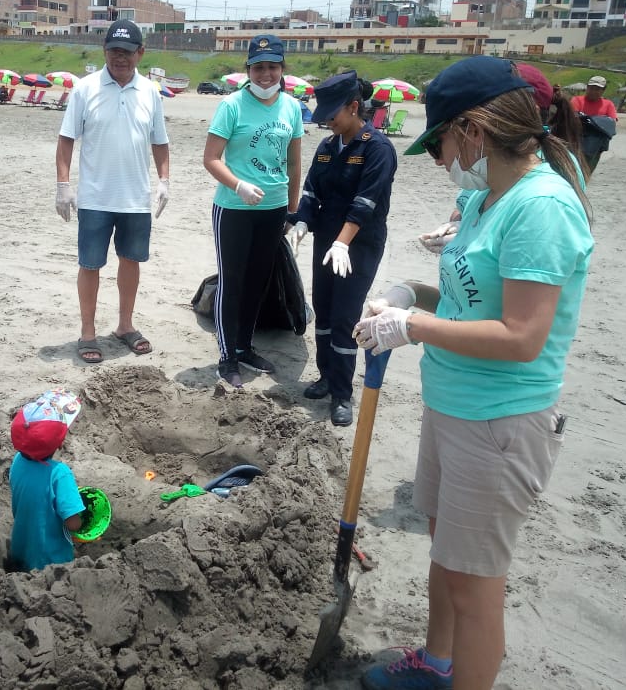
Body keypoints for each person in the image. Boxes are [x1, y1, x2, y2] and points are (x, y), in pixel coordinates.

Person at [352, 56, 593, 690]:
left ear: (475, 131)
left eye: (441, 142)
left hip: (500, 423)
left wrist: (411, 328)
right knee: (446, 557)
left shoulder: (541, 209)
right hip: (452, 406)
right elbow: (467, 302)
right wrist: (412, 296)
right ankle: (435, 663)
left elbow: (520, 337)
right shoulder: (486, 197)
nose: (439, 160)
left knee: (476, 587)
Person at [55, 19, 170, 365]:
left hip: (136, 198)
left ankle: (124, 325)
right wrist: (63, 185)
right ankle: (88, 332)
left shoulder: (150, 92)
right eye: (113, 51)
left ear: (140, 53)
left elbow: (160, 142)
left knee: (131, 261)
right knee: (90, 264)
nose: (120, 58)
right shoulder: (85, 89)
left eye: (127, 51)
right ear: (104, 51)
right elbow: (66, 140)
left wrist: (164, 180)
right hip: (95, 197)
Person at [289, 72, 397, 426]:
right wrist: (303, 221)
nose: (326, 121)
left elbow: (365, 204)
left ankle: (342, 393)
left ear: (354, 108)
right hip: (327, 243)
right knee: (322, 309)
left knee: (345, 317)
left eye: (332, 115)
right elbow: (311, 191)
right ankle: (325, 375)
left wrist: (342, 242)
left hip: (359, 246)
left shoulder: (377, 148)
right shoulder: (326, 148)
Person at [203, 34, 304, 388]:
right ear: (248, 69)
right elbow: (211, 159)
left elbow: (293, 162)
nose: (266, 74)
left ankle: (245, 347)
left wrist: (294, 211)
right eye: (259, 67)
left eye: (272, 67)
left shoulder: (291, 108)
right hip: (234, 207)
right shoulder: (231, 105)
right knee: (232, 282)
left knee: (258, 282)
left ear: (282, 70)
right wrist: (238, 185)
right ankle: (227, 355)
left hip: (273, 209)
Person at [419, 62, 587, 255]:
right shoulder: (488, 182)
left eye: (434, 146)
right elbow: (465, 210)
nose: (437, 161)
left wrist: (474, 243)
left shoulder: (544, 202)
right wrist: (462, 228)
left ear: (474, 131)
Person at [8, 394, 85, 572]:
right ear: (59, 444)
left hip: (21, 549)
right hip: (51, 562)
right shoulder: (60, 474)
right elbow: (73, 524)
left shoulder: (18, 461)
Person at [570, 75, 618, 172]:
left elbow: (612, 122)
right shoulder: (577, 100)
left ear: (603, 90)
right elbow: (572, 118)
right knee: (573, 169)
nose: (593, 91)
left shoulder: (608, 104)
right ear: (587, 87)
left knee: (587, 171)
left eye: (597, 89)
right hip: (577, 141)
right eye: (591, 88)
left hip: (596, 145)